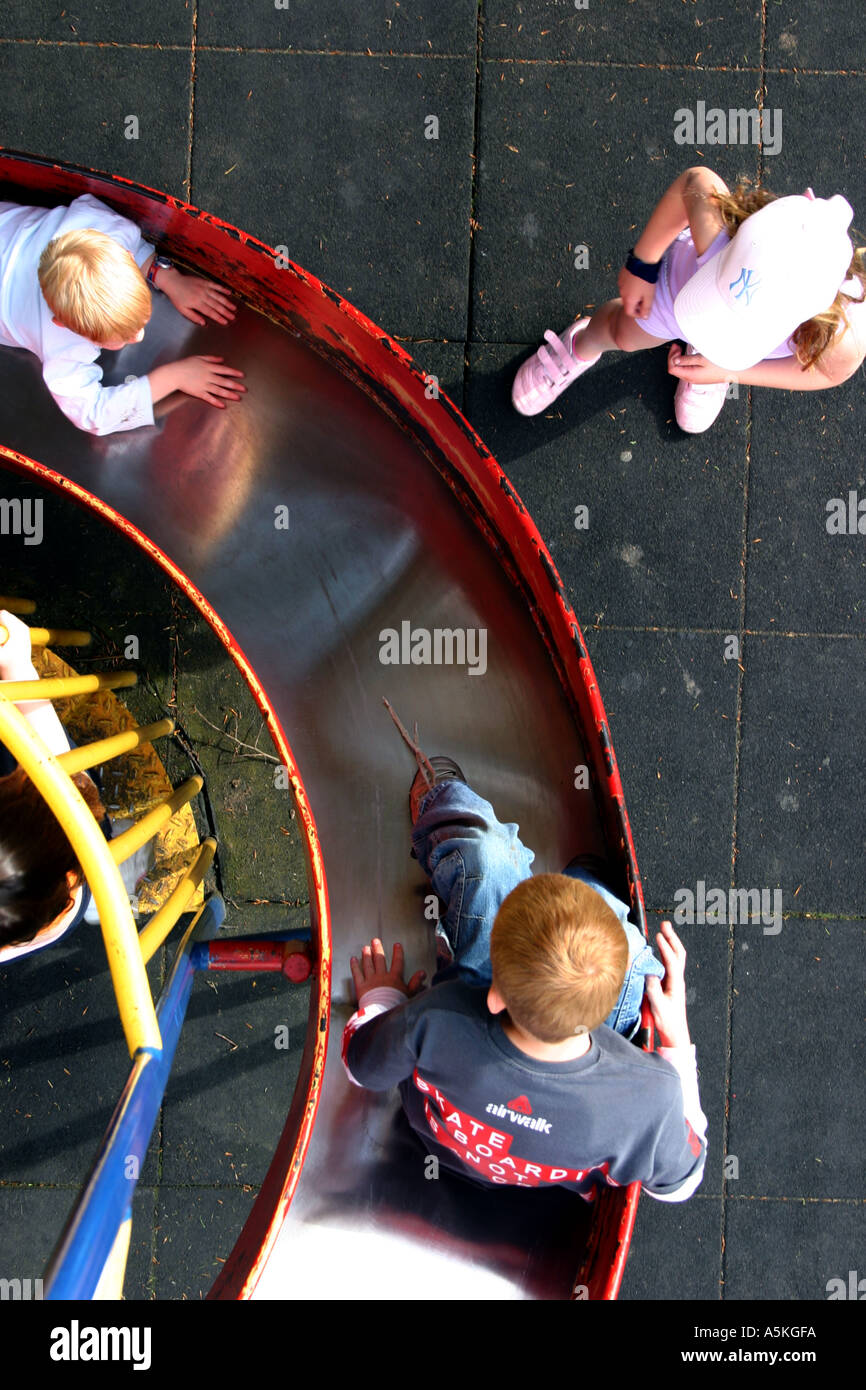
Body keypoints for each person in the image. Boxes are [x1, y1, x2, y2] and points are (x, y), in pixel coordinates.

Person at [343, 754, 707, 1202]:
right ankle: (591, 885)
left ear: (493, 993)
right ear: (605, 1006)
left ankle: (448, 819)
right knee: (623, 938)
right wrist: (675, 1038)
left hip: (443, 1144)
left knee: (487, 855)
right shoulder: (645, 1098)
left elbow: (361, 1065)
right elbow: (682, 1185)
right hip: (538, 1175)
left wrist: (382, 999)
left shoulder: (439, 1018)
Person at [511, 167, 866, 433]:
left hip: (719, 333)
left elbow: (824, 374)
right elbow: (695, 182)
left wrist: (729, 368)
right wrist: (643, 263)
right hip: (681, 288)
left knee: (711, 362)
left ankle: (707, 373)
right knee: (623, 332)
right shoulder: (721, 233)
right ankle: (582, 344)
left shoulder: (839, 336)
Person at [0, 192, 246, 435]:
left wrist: (167, 277)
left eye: (140, 320)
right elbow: (92, 414)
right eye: (120, 337)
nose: (139, 336)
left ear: (126, 256)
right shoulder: (62, 347)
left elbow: (132, 247)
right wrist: (174, 377)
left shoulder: (104, 229)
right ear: (63, 324)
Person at [0, 610, 109, 959]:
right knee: (66, 773)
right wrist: (12, 654)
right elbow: (17, 664)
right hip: (76, 843)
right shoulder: (60, 805)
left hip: (34, 908)